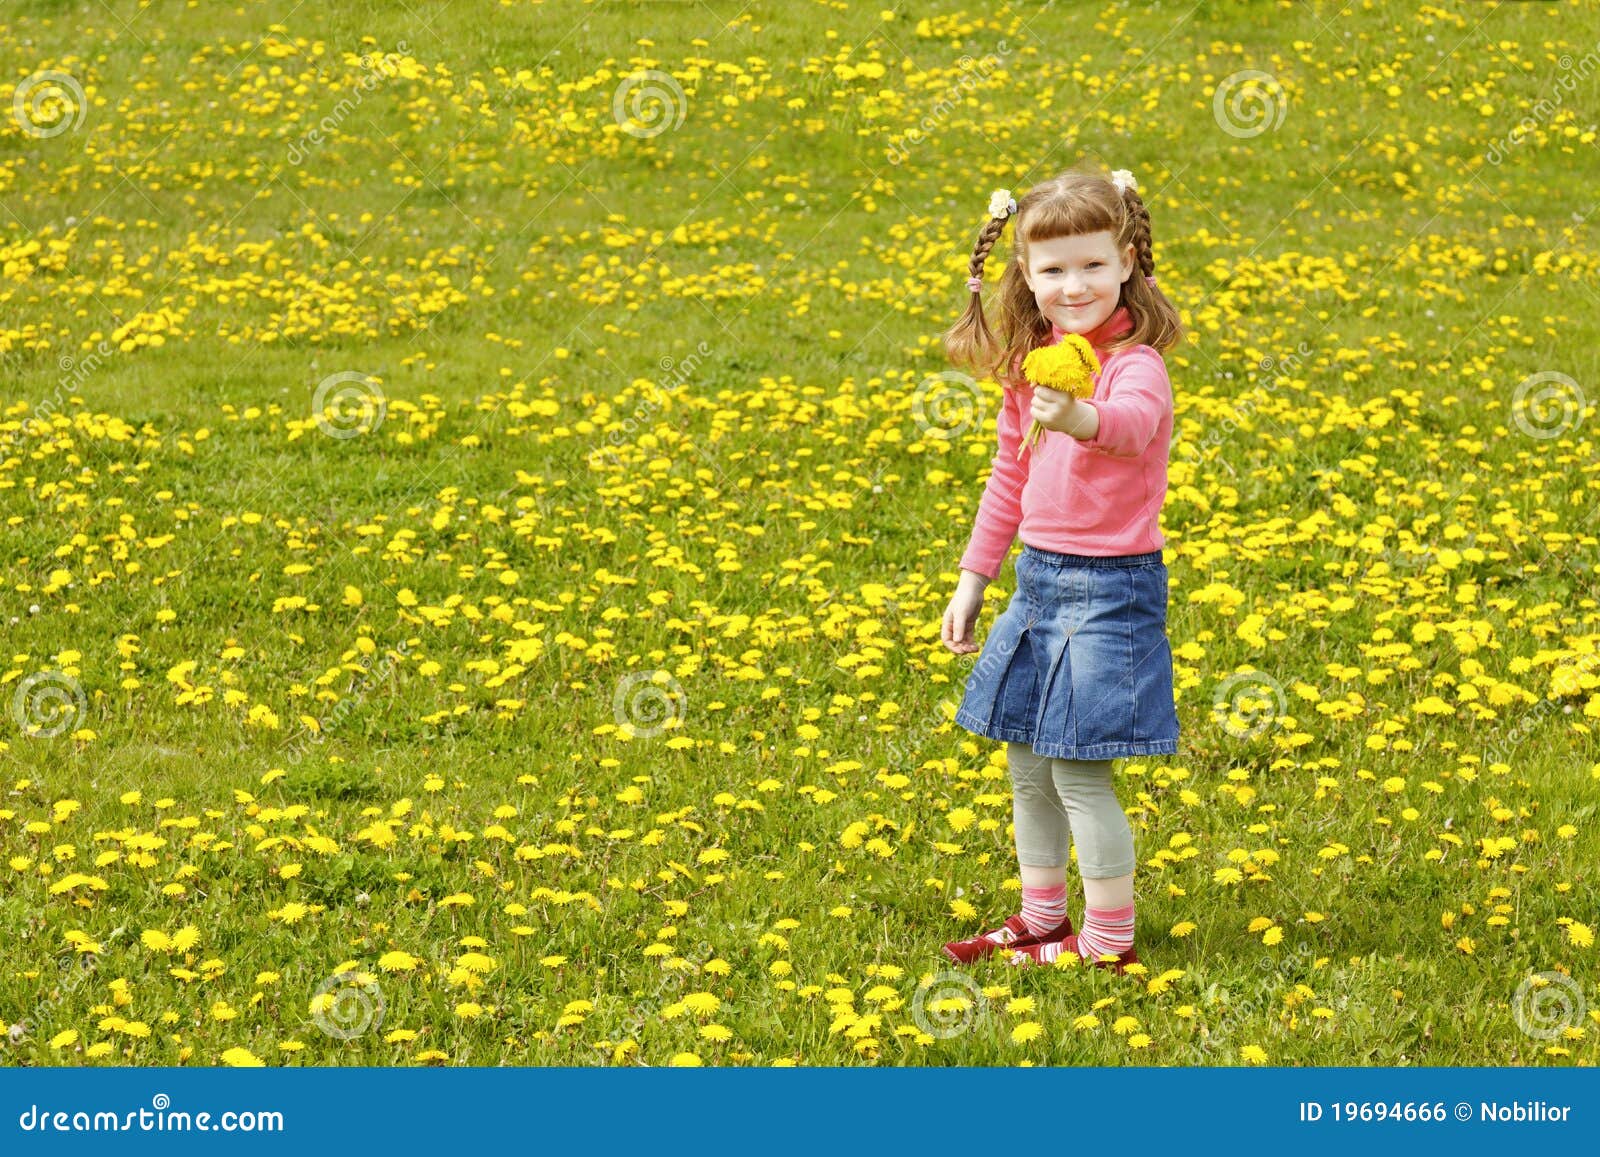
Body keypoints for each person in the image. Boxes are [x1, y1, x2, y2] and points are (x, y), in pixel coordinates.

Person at [937, 167, 1184, 974]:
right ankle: (1043, 917)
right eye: (1052, 269)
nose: (1072, 285)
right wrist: (976, 579)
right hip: (1039, 584)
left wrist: (1078, 417)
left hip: (1110, 591)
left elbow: (1129, 427)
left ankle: (1108, 937)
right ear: (1026, 276)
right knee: (1027, 765)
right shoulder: (1035, 365)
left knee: (1080, 771)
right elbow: (1010, 474)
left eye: (1091, 265)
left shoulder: (1133, 365)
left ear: (1127, 264)